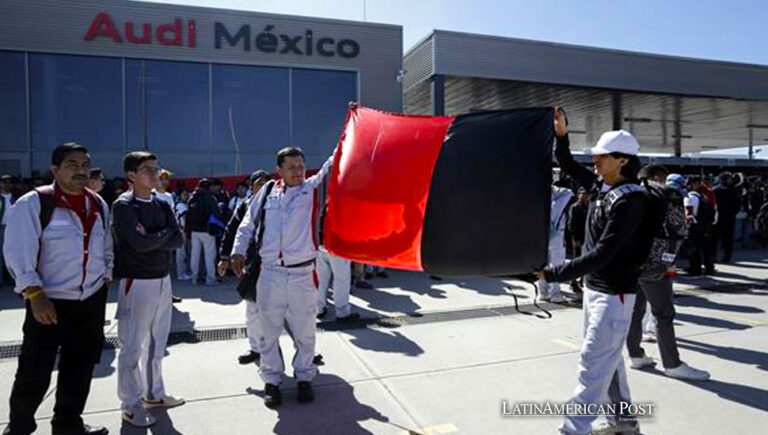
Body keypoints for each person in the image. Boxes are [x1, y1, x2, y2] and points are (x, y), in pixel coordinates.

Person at [537, 109, 650, 435]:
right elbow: (569, 164)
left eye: (602, 156)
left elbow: (603, 253)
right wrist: (561, 135)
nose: (596, 161)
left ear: (623, 160)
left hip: (615, 293)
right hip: (597, 290)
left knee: (593, 362)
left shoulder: (631, 203)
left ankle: (573, 429)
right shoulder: (603, 187)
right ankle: (624, 423)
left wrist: (553, 274)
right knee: (609, 361)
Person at [3, 142, 112, 435]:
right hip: (49, 301)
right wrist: (35, 295)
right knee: (34, 370)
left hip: (89, 300)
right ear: (55, 170)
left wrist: (105, 275)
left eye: (85, 165)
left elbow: (106, 246)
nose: (81, 171)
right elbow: (17, 252)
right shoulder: (34, 203)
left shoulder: (98, 203)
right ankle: (19, 427)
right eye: (72, 165)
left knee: (80, 368)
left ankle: (68, 424)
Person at [231, 147, 334, 408]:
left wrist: (348, 129)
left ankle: (303, 378)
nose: (298, 171)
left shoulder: (312, 190)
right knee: (268, 332)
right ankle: (272, 381)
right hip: (270, 274)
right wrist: (237, 251)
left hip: (302, 274)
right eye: (292, 167)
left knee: (305, 331)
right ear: (279, 170)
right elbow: (247, 223)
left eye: (301, 166)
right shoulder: (265, 192)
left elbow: (333, 165)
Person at [112, 152, 185, 428]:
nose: (155, 175)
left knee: (156, 343)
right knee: (132, 347)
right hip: (137, 282)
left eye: (156, 169)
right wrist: (161, 235)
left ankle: (154, 395)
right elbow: (138, 245)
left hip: (163, 279)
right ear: (131, 175)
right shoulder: (124, 206)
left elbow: (178, 238)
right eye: (147, 170)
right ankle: (130, 405)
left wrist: (154, 236)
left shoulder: (162, 203)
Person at [625, 165, 710, 381]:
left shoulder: (629, 193)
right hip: (655, 265)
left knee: (635, 311)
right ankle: (672, 364)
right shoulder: (666, 195)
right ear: (656, 178)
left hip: (631, 263)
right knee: (663, 313)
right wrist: (670, 259)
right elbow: (678, 228)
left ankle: (635, 355)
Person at [218, 170, 272, 365]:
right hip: (251, 265)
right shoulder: (244, 206)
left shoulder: (280, 203)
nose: (264, 187)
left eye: (267, 182)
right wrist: (225, 257)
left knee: (290, 313)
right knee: (252, 310)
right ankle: (256, 348)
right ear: (251, 186)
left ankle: (305, 352)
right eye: (259, 183)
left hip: (278, 266)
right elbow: (231, 230)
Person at [536, 184, 573, 303]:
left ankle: (543, 292)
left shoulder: (539, 201)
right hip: (556, 236)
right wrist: (554, 189)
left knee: (542, 265)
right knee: (556, 265)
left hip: (541, 237)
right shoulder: (558, 202)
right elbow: (568, 192)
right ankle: (555, 294)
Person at [153, 169, 183, 303]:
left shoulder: (169, 196)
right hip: (154, 235)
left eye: (166, 179)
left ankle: (167, 294)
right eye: (161, 179)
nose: (164, 181)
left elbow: (172, 216)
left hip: (167, 235)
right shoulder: (151, 195)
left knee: (166, 266)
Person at [186, 179, 222, 285]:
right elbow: (216, 213)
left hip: (194, 231)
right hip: (207, 230)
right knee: (210, 255)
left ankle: (194, 277)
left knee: (195, 254)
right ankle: (210, 279)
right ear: (209, 187)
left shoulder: (193, 197)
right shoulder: (210, 198)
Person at [685, 176, 716, 276]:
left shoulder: (689, 197)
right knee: (706, 249)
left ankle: (695, 269)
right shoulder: (703, 197)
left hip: (694, 227)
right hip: (705, 226)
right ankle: (709, 268)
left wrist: (686, 228)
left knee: (694, 249)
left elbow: (689, 215)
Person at [713, 172, 740, 263]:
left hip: (717, 218)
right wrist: (732, 213)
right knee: (728, 239)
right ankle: (727, 257)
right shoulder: (734, 190)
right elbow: (738, 205)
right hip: (729, 218)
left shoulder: (715, 190)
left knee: (715, 238)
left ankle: (713, 256)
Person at [567, 187, 589, 294]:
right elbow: (571, 224)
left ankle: (582, 280)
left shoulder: (588, 206)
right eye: (583, 194)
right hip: (578, 238)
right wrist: (575, 238)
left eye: (586, 194)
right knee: (577, 260)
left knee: (585, 260)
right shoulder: (575, 207)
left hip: (586, 237)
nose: (585, 196)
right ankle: (573, 282)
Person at [0, 174, 19, 287]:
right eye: (4, 182)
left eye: (8, 182)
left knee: (13, 254)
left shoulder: (16, 198)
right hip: (1, 228)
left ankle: (13, 279)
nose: (6, 185)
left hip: (13, 229)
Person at [174, 190, 193, 281]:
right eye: (184, 194)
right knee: (181, 253)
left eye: (187, 194)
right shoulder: (180, 205)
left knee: (185, 252)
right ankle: (181, 274)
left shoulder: (185, 205)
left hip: (185, 230)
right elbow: (184, 218)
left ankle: (185, 272)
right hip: (181, 230)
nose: (186, 196)